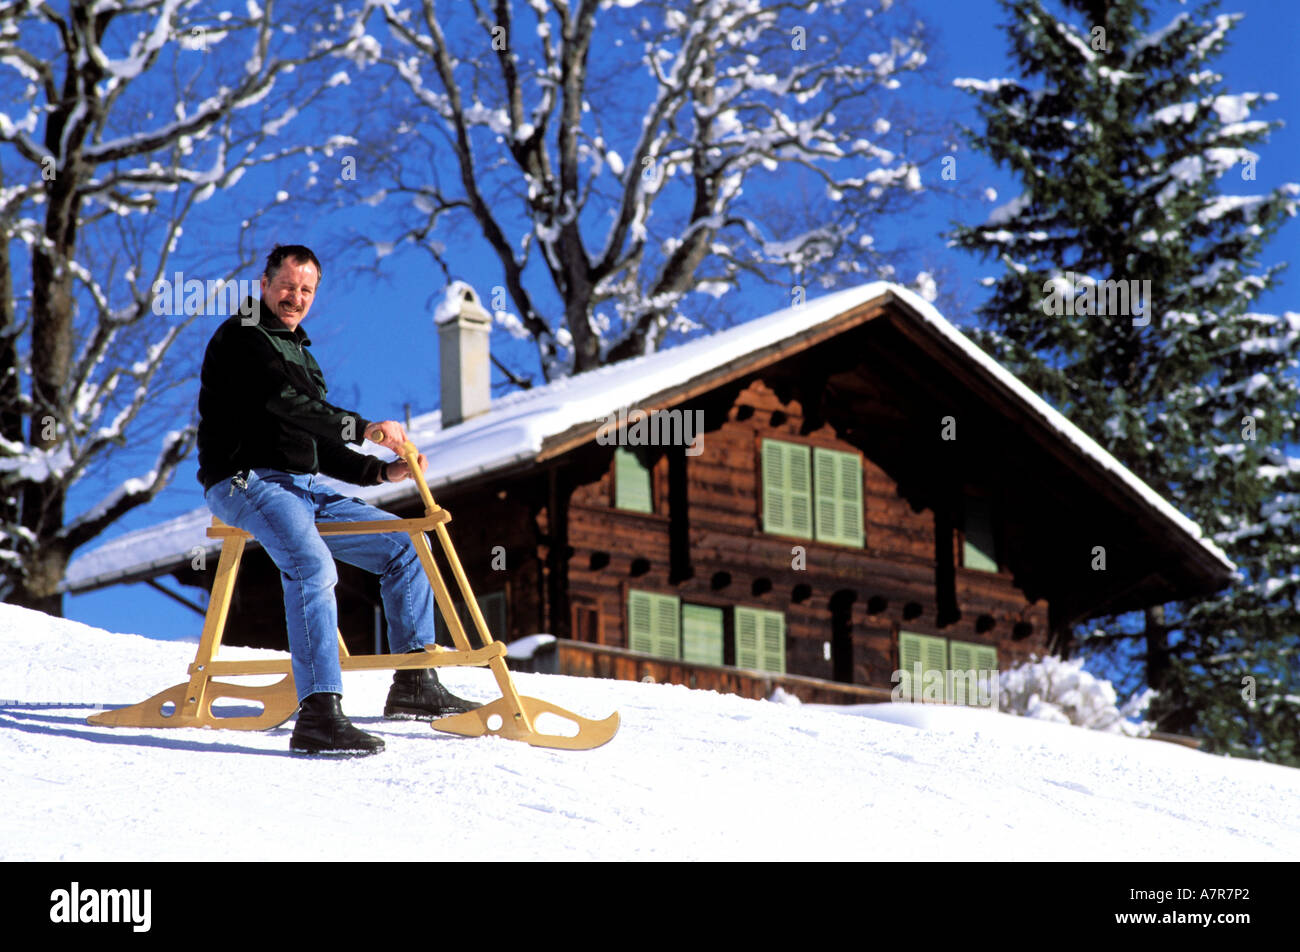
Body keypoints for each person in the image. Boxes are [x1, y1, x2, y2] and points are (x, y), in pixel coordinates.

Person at [197, 244, 479, 756]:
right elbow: (283, 403)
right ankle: (320, 713)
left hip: (302, 486)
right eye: (287, 286)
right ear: (263, 285)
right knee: (311, 566)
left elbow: (317, 441)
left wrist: (379, 470)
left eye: (306, 290)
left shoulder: (301, 352)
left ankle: (415, 683)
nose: (295, 297)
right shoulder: (243, 337)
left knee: (405, 546)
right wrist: (363, 427)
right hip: (245, 481)